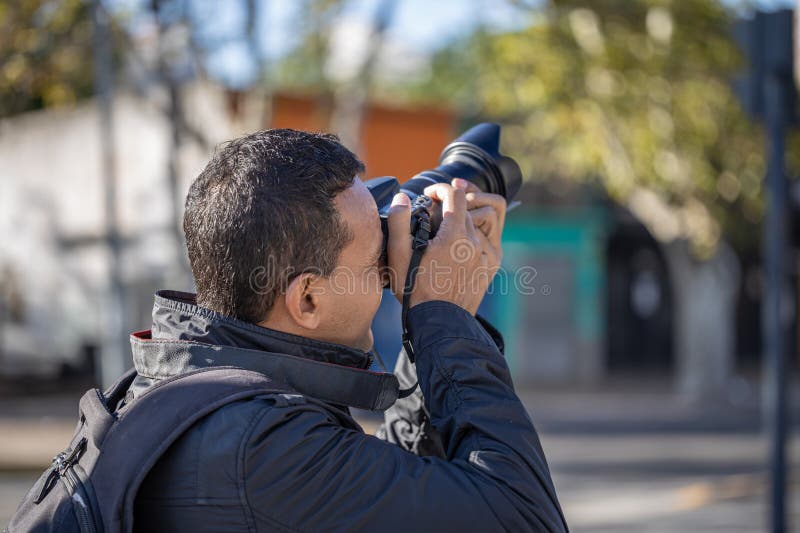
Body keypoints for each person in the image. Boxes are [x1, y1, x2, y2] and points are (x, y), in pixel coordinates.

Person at [130, 129, 568, 532]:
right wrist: (443, 314)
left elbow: (395, 489)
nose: (389, 271)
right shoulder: (259, 449)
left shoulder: (203, 398)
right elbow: (523, 519)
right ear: (307, 300)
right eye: (378, 256)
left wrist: (449, 319)